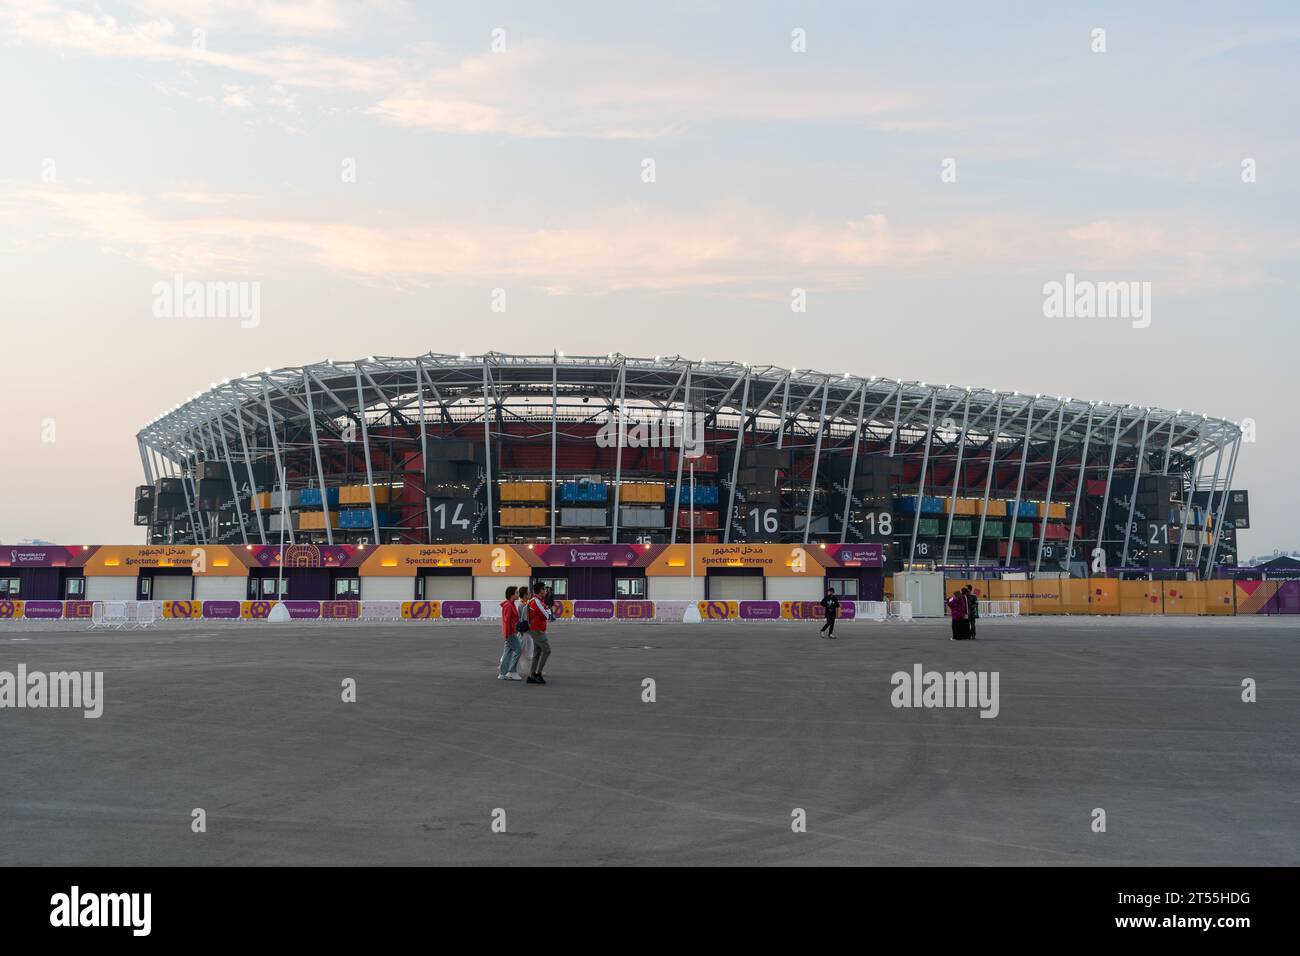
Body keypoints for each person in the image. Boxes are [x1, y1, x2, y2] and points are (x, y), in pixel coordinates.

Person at [526, 582, 553, 684]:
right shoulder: (537, 601)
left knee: (537, 653)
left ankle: (532, 675)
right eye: (544, 589)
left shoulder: (537, 601)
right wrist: (548, 612)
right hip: (537, 630)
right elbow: (546, 615)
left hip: (536, 629)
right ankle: (538, 673)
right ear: (540, 590)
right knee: (547, 650)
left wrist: (547, 612)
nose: (546, 591)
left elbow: (547, 613)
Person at [498, 586, 523, 680]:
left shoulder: (511, 604)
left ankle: (502, 673)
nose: (518, 594)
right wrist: (507, 634)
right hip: (510, 632)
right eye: (516, 593)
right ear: (511, 595)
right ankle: (512, 671)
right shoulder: (508, 605)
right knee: (518, 649)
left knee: (507, 652)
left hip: (511, 632)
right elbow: (506, 621)